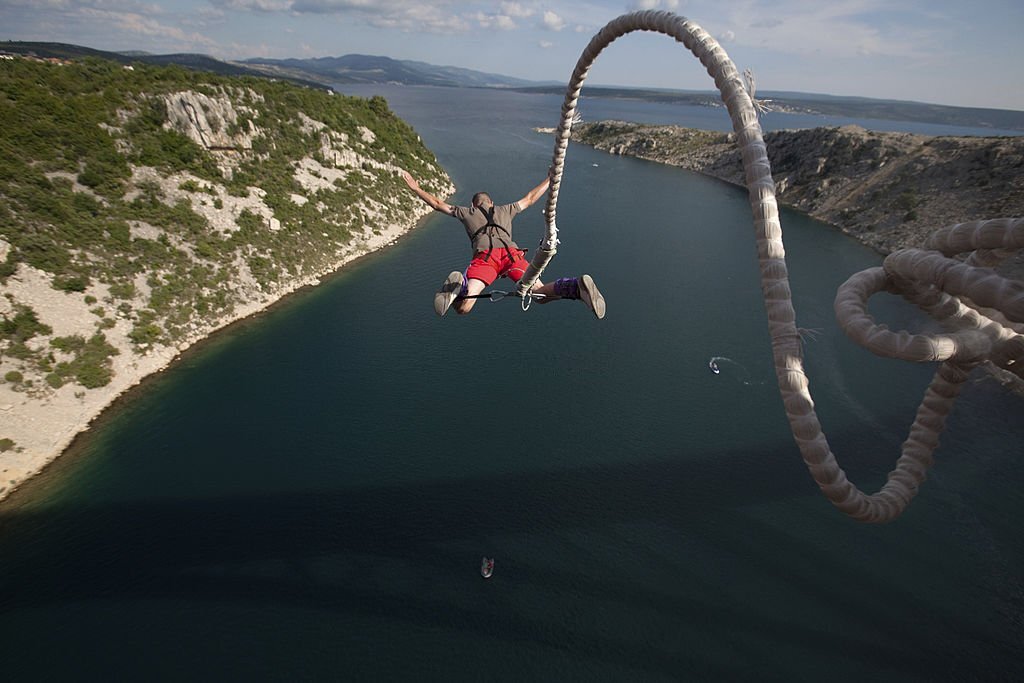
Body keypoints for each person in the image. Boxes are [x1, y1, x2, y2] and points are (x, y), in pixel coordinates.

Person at [400, 168, 605, 318]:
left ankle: (461, 286)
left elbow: (437, 204)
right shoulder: (505, 209)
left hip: (485, 259)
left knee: (463, 307)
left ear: (474, 204)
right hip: (511, 256)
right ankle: (575, 286)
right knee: (540, 294)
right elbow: (530, 198)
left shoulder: (466, 212)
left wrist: (416, 188)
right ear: (492, 203)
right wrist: (549, 180)